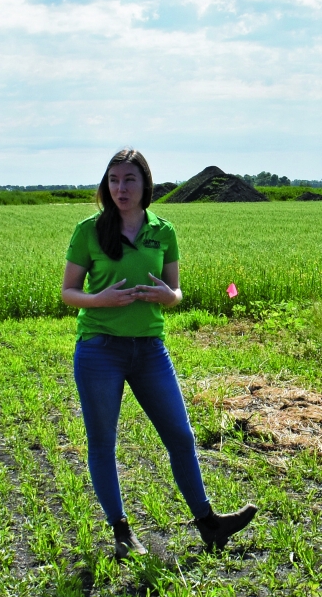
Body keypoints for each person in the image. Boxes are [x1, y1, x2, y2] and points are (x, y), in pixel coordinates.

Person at [60, 148, 256, 559]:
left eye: (129, 179)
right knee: (102, 442)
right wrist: (102, 299)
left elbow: (176, 292)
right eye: (113, 180)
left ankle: (209, 524)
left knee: (181, 437)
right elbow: (68, 293)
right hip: (99, 350)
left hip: (150, 349)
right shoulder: (89, 231)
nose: (120, 188)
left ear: (145, 183)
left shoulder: (163, 231)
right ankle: (121, 532)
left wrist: (169, 296)